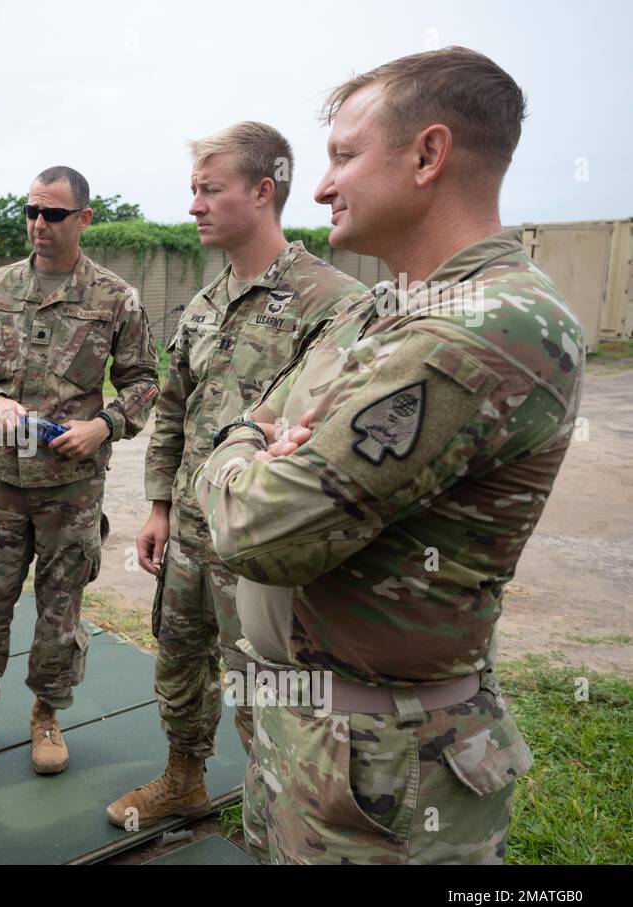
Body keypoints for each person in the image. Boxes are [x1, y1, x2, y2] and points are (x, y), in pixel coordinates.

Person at [196, 47, 583, 863]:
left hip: (387, 771)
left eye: (342, 156)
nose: (325, 185)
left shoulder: (490, 326)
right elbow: (252, 418)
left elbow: (257, 529)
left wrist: (238, 462)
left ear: (428, 155)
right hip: (306, 736)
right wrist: (250, 445)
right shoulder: (382, 307)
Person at [106, 123, 364, 833]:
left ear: (262, 189)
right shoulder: (205, 303)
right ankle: (184, 779)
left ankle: (275, 814)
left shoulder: (332, 302)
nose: (194, 205)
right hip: (190, 530)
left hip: (262, 545)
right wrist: (158, 506)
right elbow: (173, 409)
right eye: (193, 189)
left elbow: (327, 438)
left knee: (264, 686)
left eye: (209, 190)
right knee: (179, 662)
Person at [0, 166, 160, 776]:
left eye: (53, 214)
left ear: (83, 219)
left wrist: (104, 426)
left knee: (60, 613)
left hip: (71, 491)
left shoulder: (115, 298)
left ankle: (46, 715)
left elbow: (144, 381)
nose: (39, 224)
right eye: (31, 212)